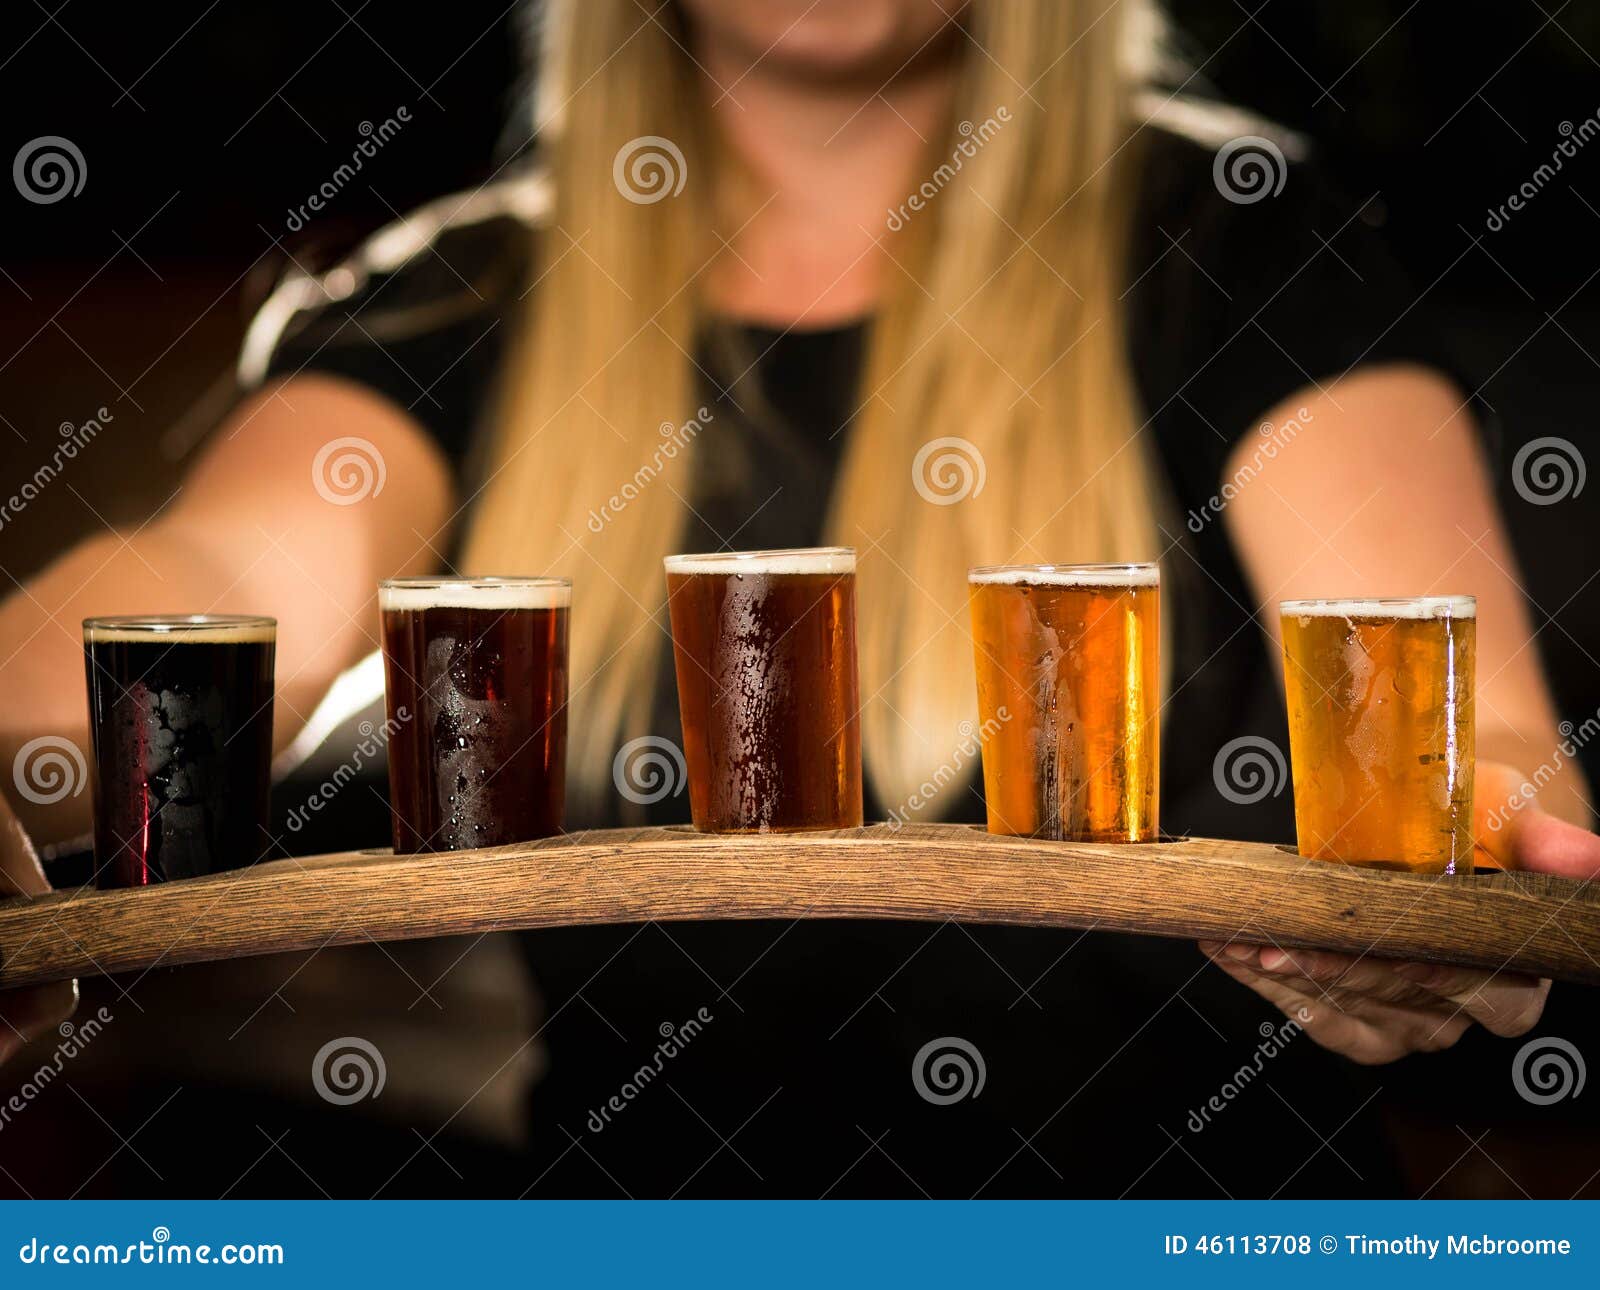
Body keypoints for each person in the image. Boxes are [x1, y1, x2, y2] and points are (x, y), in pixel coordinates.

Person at [3, 0, 1597, 1194]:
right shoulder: (445, 293)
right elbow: (213, 576)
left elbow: (1464, 708)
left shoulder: (1250, 242)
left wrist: (1465, 867)